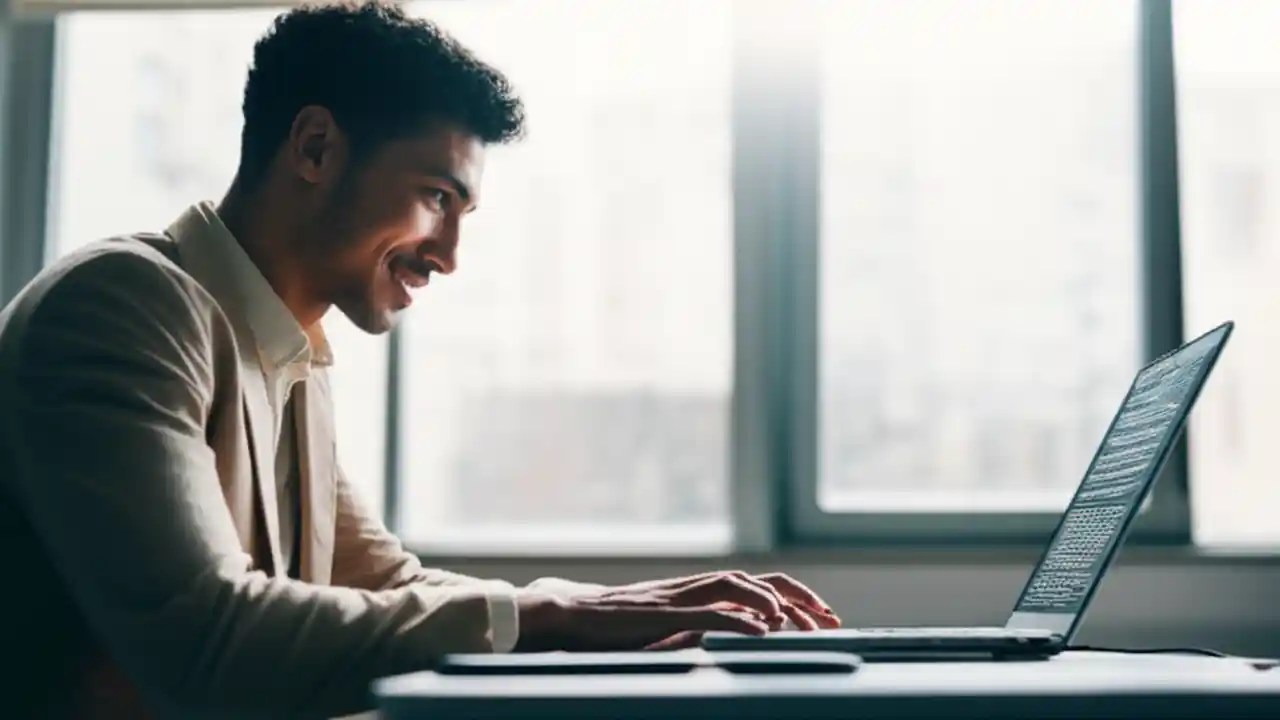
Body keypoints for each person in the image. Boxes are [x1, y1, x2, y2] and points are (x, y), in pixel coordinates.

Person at [0, 2, 840, 718]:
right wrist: (553, 618)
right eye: (437, 197)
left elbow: (388, 586)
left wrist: (608, 608)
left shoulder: (287, 355)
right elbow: (205, 639)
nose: (448, 255)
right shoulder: (123, 306)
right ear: (317, 148)